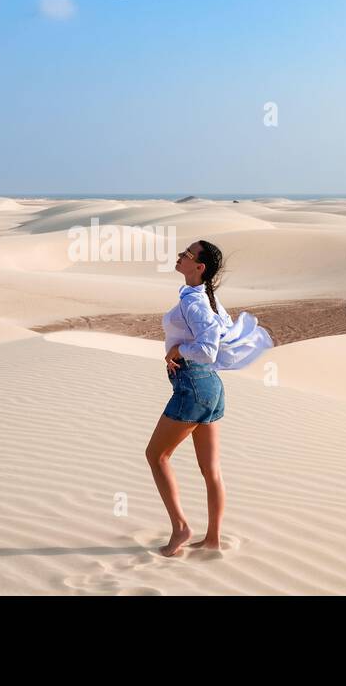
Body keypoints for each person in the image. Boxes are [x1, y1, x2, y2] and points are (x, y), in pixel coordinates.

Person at [145, 239, 273, 557]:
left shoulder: (195, 302)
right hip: (209, 388)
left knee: (156, 456)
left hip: (195, 386)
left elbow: (207, 349)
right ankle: (212, 539)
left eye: (186, 254)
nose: (179, 256)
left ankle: (181, 528)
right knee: (210, 470)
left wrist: (176, 351)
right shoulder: (204, 299)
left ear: (198, 267)